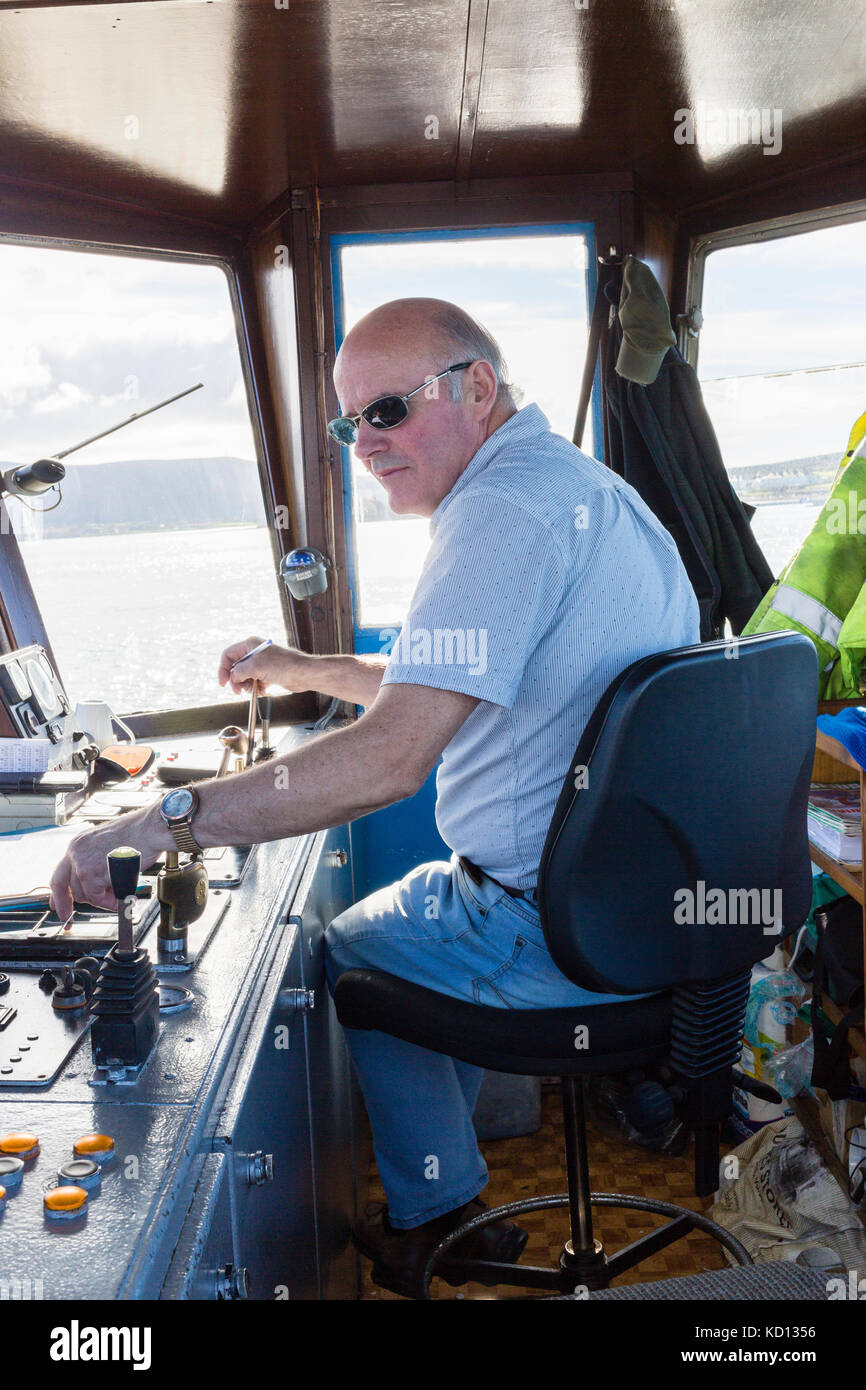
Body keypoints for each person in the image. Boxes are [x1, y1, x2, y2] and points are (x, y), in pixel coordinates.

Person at [50, 297, 699, 1298]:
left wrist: (158, 822)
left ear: (476, 389)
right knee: (421, 928)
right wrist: (300, 663)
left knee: (352, 947)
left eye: (388, 410)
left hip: (549, 928)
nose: (365, 443)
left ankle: (437, 1209)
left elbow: (389, 759)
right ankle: (453, 1191)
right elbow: (432, 687)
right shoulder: (571, 488)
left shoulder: (498, 512)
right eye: (349, 424)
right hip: (642, 910)